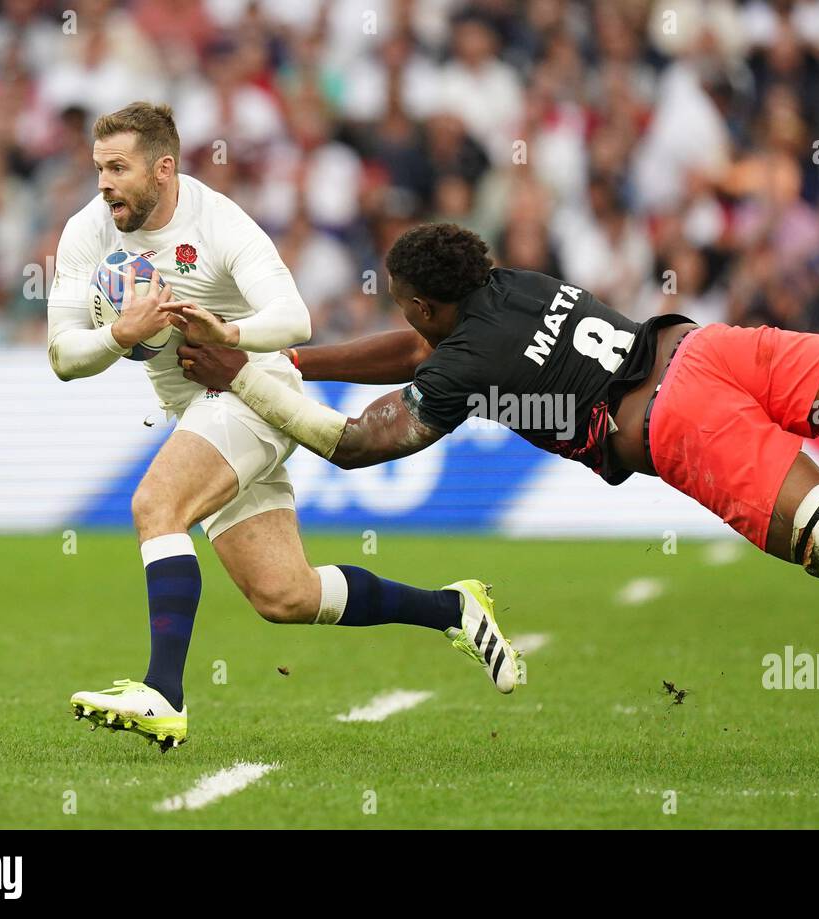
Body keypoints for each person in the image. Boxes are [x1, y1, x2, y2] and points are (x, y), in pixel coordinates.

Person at [177, 223, 819, 707]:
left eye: (406, 304)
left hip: (678, 425)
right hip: (709, 348)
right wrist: (293, 360)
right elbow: (413, 349)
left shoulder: (465, 355)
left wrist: (242, 378)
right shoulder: (507, 285)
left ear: (429, 303)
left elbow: (357, 442)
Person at [48, 110, 521, 752]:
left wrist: (229, 334)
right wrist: (120, 335)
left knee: (156, 505)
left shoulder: (219, 223)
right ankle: (453, 610)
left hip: (252, 387)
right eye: (99, 167)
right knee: (286, 595)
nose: (104, 183)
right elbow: (63, 357)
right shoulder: (86, 232)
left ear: (164, 168)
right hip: (199, 411)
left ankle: (164, 694)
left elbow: (294, 319)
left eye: (118, 168)